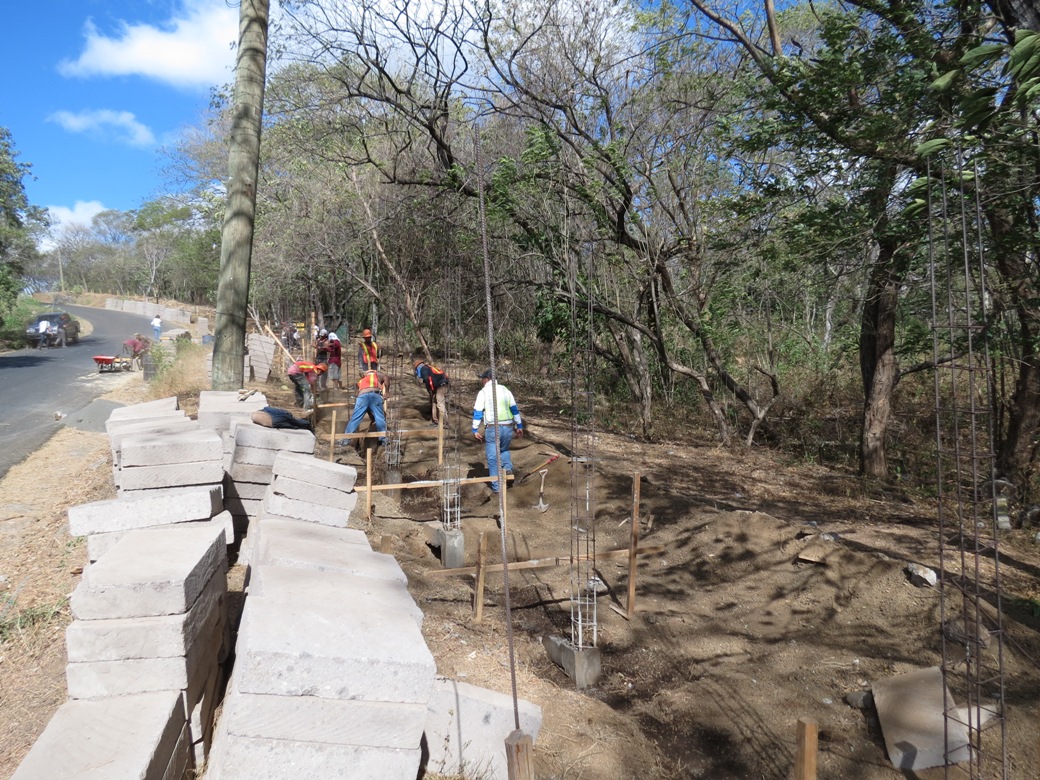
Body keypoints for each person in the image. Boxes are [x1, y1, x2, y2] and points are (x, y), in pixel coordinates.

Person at [472, 369, 524, 493]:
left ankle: (497, 487)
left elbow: (478, 411)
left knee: (492, 457)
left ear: (487, 379)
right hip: (507, 426)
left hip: (493, 427)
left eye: (482, 379)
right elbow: (514, 409)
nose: (481, 381)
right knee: (504, 450)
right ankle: (507, 469)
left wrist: (474, 428)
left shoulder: (483, 392)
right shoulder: (506, 390)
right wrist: (519, 426)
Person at [342, 368, 389, 446]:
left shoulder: (361, 381)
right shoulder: (377, 375)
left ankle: (346, 439)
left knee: (355, 418)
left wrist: (371, 416)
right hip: (375, 395)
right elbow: (386, 378)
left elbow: (366, 406)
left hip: (362, 398)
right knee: (380, 418)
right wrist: (387, 391)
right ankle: (383, 439)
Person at [413, 357, 449, 425]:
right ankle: (435, 420)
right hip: (440, 384)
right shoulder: (428, 368)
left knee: (440, 403)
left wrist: (431, 391)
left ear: (418, 367)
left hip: (442, 385)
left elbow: (428, 380)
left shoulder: (424, 369)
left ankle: (445, 422)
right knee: (434, 402)